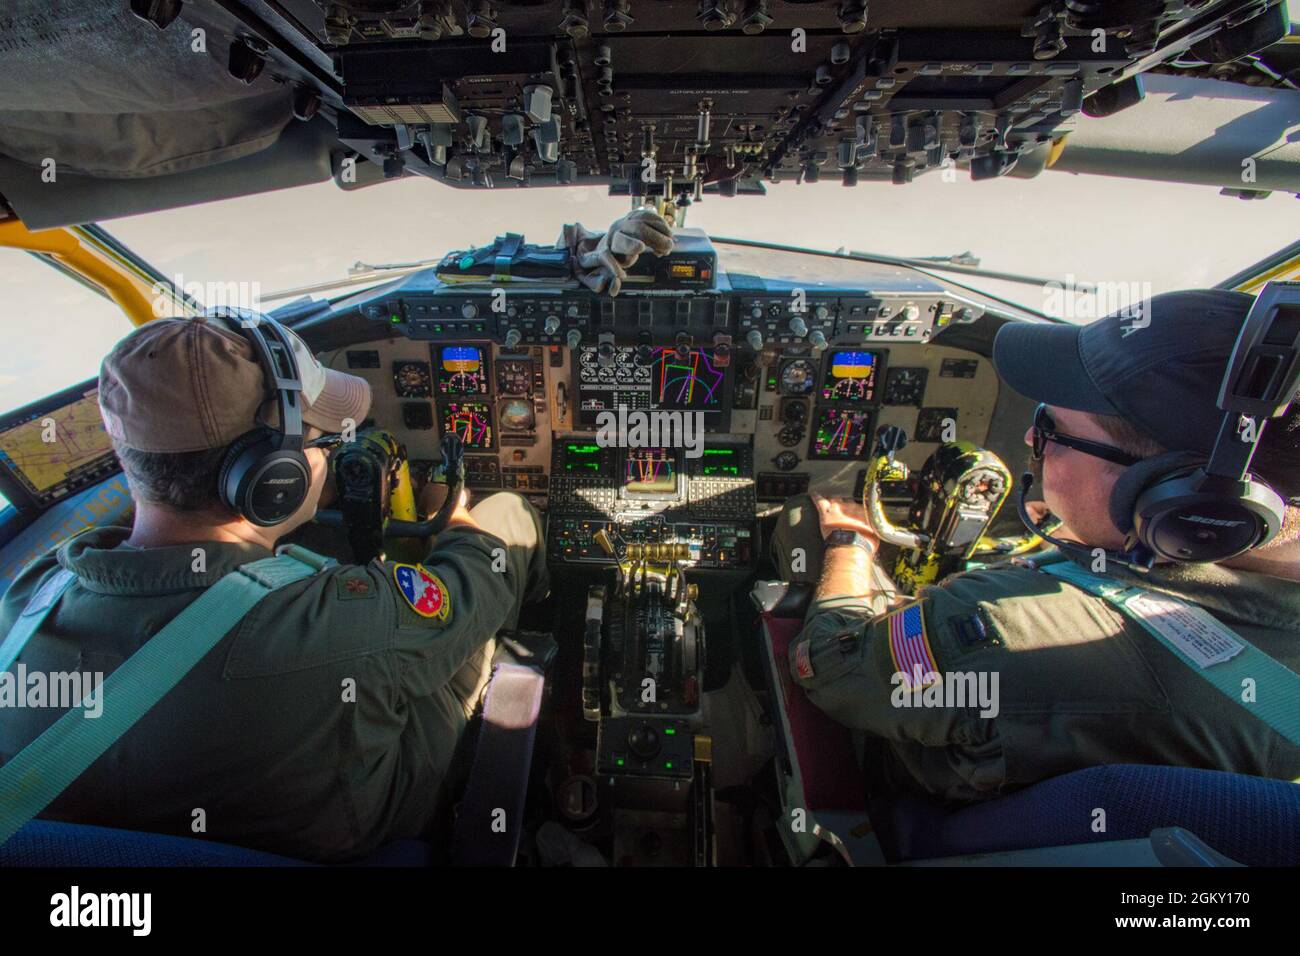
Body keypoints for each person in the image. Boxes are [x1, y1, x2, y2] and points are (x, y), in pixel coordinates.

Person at [0, 313, 548, 862]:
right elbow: (482, 569)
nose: (330, 454)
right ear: (274, 475)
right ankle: (545, 615)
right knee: (504, 518)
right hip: (361, 824)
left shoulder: (27, 600)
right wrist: (450, 515)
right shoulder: (341, 622)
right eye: (324, 440)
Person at [771, 289, 1300, 803]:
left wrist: (852, 541)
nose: (1028, 440)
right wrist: (1097, 530)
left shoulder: (1003, 627)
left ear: (1161, 493)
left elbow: (829, 666)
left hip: (912, 796)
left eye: (1051, 429)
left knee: (798, 527)